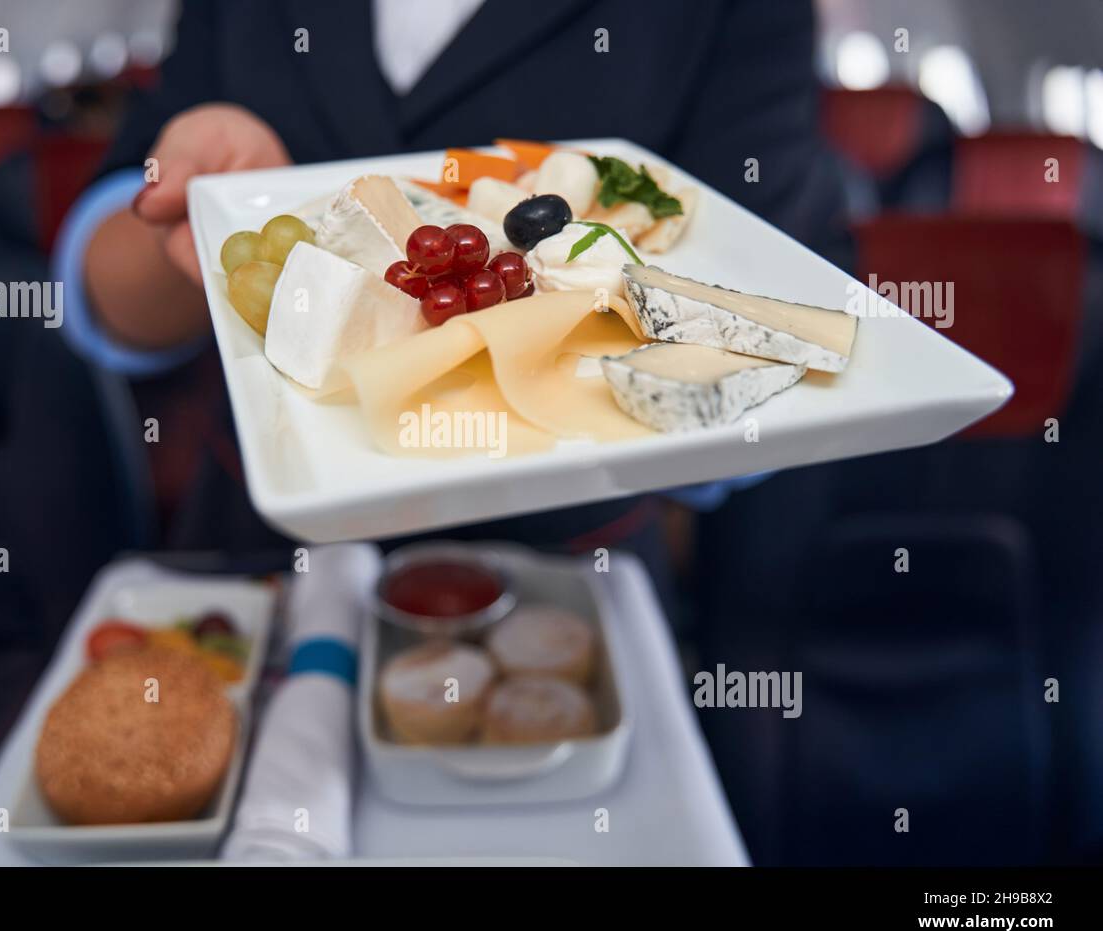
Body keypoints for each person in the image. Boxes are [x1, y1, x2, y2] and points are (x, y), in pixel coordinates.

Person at [55, 0, 850, 601]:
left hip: (565, 571)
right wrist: (195, 209)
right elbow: (105, 289)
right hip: (259, 544)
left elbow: (763, 337)